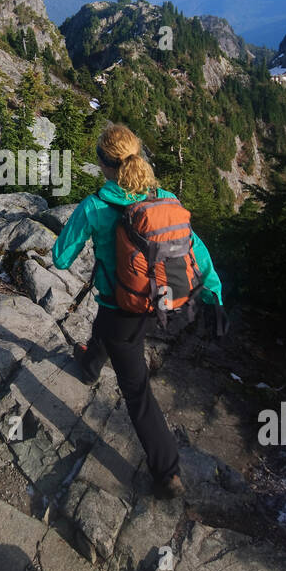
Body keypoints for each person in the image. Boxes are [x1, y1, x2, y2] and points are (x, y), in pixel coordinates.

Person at [51, 123, 225, 500]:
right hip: (155, 302)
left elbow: (61, 259)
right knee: (108, 327)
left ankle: (167, 471)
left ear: (103, 164)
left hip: (122, 309)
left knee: (137, 391)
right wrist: (214, 293)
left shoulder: (95, 205)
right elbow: (195, 246)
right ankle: (88, 364)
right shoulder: (163, 199)